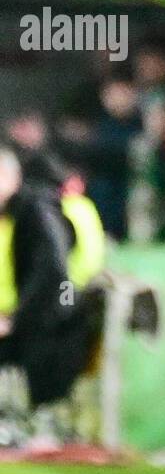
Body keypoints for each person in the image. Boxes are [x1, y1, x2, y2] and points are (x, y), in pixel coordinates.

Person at [0, 148, 106, 416]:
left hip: (50, 324)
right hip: (61, 315)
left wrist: (15, 320)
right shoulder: (68, 208)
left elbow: (53, 273)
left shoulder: (38, 209)